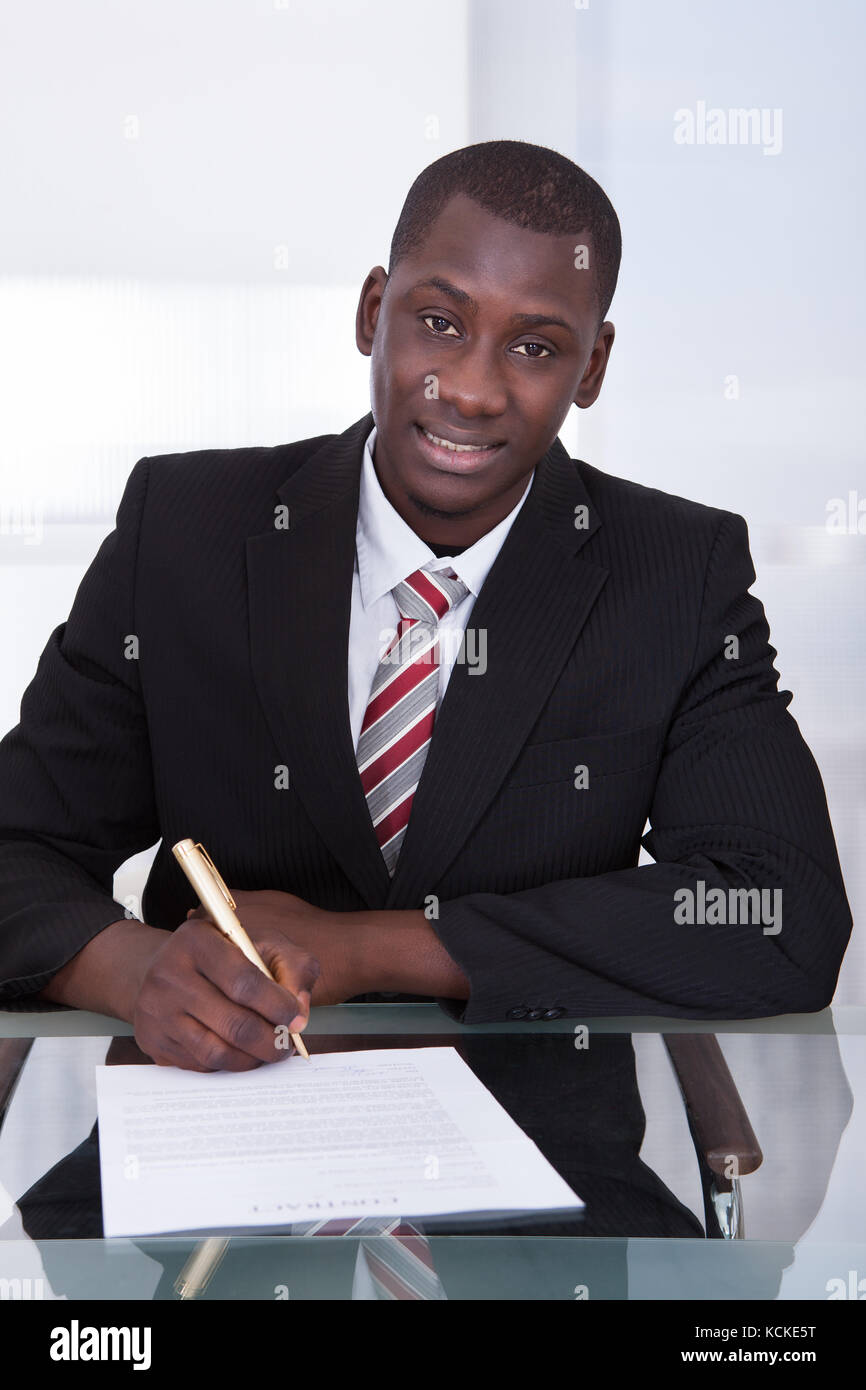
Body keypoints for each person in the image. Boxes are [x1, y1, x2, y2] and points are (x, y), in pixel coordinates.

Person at [0, 140, 852, 1075]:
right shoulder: (185, 531)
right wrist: (134, 969)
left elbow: (780, 913)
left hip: (546, 1173)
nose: (474, 391)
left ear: (594, 366)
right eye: (440, 323)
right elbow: (19, 846)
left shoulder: (675, 573)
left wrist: (368, 949)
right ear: (374, 311)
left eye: (535, 347)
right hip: (205, 1133)